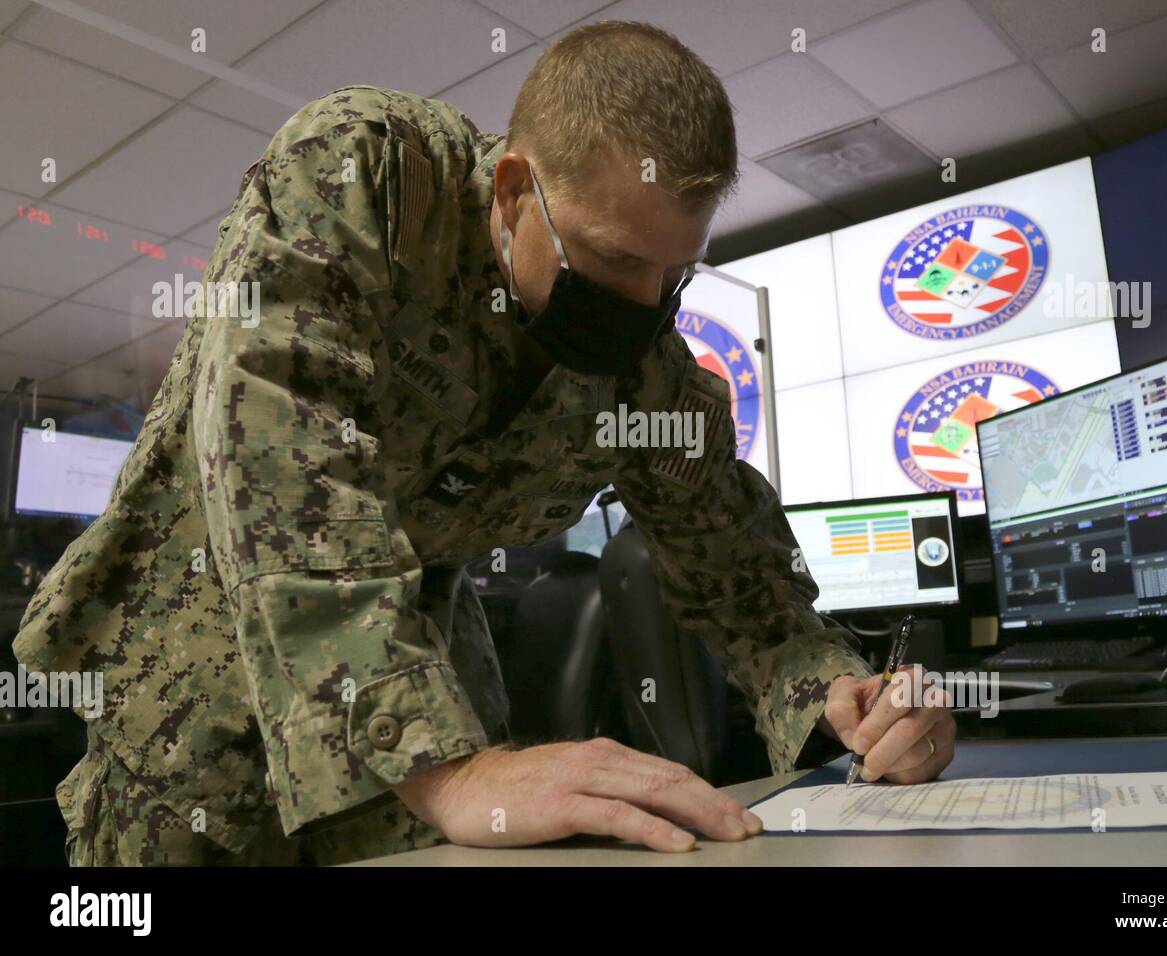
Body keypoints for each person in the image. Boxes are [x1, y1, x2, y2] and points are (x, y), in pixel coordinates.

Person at [15, 21, 954, 866]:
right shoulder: (367, 178)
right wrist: (446, 770)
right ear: (514, 192)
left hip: (417, 671)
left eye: (672, 272)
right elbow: (284, 464)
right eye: (616, 260)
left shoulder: (644, 371)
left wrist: (841, 700)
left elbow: (740, 576)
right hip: (201, 675)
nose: (641, 306)